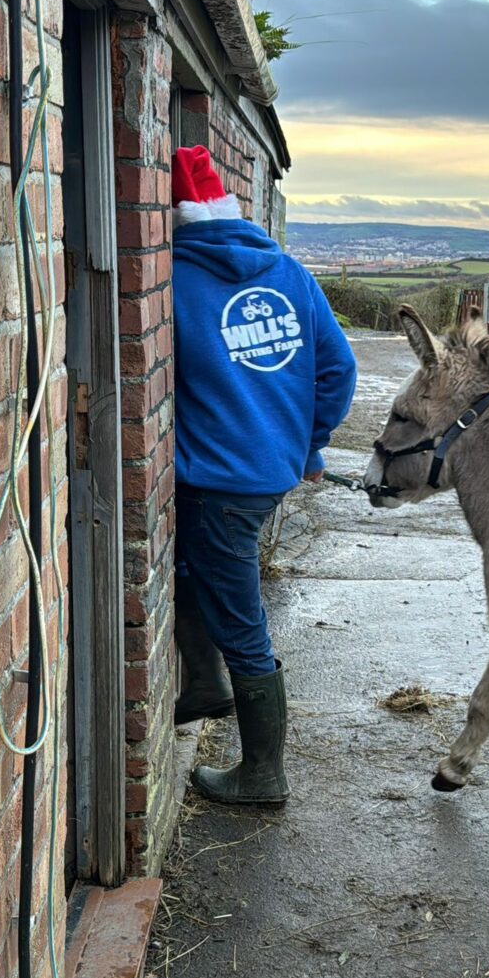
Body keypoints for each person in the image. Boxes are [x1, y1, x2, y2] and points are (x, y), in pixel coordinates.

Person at [171, 146, 357, 807]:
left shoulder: (167, 279)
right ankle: (205, 685)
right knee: (192, 572)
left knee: (241, 616)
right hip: (267, 474)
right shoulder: (290, 273)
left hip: (216, 485)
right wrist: (309, 446)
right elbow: (340, 368)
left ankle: (263, 775)